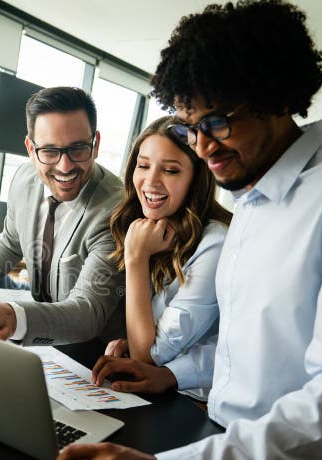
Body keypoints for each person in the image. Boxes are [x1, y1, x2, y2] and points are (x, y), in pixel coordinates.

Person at [54, 2, 322, 460]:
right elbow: (250, 350)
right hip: (226, 452)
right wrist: (170, 375)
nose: (204, 146)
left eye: (218, 122)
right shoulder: (250, 200)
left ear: (274, 97)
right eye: (190, 127)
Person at [0, 87, 125, 346]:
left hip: (96, 352)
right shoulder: (23, 180)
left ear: (96, 144)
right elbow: (11, 241)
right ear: (30, 147)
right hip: (44, 342)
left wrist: (16, 316)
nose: (65, 166)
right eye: (49, 151)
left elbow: (89, 309)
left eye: (78, 149)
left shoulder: (117, 209)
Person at [91, 117, 231, 399]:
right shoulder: (156, 229)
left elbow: (149, 357)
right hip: (166, 395)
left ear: (196, 179)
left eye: (170, 170)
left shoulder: (214, 245)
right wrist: (131, 342)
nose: (151, 181)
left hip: (200, 405)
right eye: (143, 166)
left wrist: (136, 259)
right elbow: (150, 343)